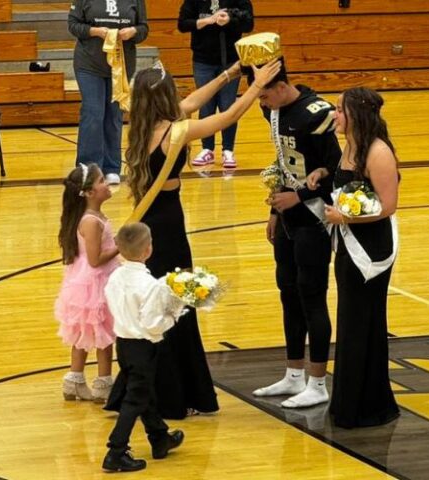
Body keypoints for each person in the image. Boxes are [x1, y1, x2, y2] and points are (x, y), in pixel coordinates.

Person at [104, 57, 282, 419]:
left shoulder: (140, 124)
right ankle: (177, 392)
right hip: (167, 225)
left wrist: (229, 74)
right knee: (175, 303)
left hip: (148, 219)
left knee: (156, 303)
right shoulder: (175, 133)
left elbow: (192, 103)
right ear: (165, 96)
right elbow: (227, 117)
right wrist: (256, 85)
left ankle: (144, 388)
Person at [244, 52, 342, 409]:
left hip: (314, 215)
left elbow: (336, 167)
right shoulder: (272, 110)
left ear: (282, 86)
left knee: (311, 294)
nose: (262, 102)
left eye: (265, 95)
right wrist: (276, 208)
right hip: (286, 215)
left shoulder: (317, 113)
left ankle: (318, 381)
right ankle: (294, 373)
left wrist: (299, 196)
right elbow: (283, 163)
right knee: (287, 291)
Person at [306, 87, 401, 428]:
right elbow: (349, 187)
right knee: (350, 322)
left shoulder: (378, 152)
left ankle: (367, 406)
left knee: (364, 324)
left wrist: (344, 217)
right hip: (348, 245)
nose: (335, 115)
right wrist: (322, 176)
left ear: (357, 114)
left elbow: (388, 205)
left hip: (370, 251)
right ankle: (350, 401)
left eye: (340, 110)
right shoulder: (351, 146)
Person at [101, 222, 186, 472]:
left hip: (123, 344)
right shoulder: (151, 286)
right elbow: (153, 325)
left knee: (143, 392)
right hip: (143, 347)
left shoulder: (115, 276)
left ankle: (160, 437)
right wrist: (175, 312)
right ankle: (115, 452)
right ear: (148, 250)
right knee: (135, 399)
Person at [54, 163, 121, 403]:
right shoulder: (91, 221)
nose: (107, 183)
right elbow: (95, 260)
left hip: (83, 281)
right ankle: (104, 383)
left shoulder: (91, 217)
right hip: (95, 282)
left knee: (84, 332)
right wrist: (120, 246)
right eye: (102, 180)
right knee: (103, 335)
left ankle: (75, 380)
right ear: (90, 192)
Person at [68, 0, 149, 185]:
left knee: (114, 114)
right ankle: (88, 167)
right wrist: (95, 31)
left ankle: (112, 167)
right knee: (93, 112)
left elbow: (144, 28)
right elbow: (73, 25)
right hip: (89, 65)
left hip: (121, 66)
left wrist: (133, 32)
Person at [178, 0, 254, 169]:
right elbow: (182, 24)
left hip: (230, 60)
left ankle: (228, 150)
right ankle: (207, 149)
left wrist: (230, 19)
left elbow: (249, 23)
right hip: (203, 60)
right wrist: (208, 20)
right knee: (205, 105)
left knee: (228, 105)